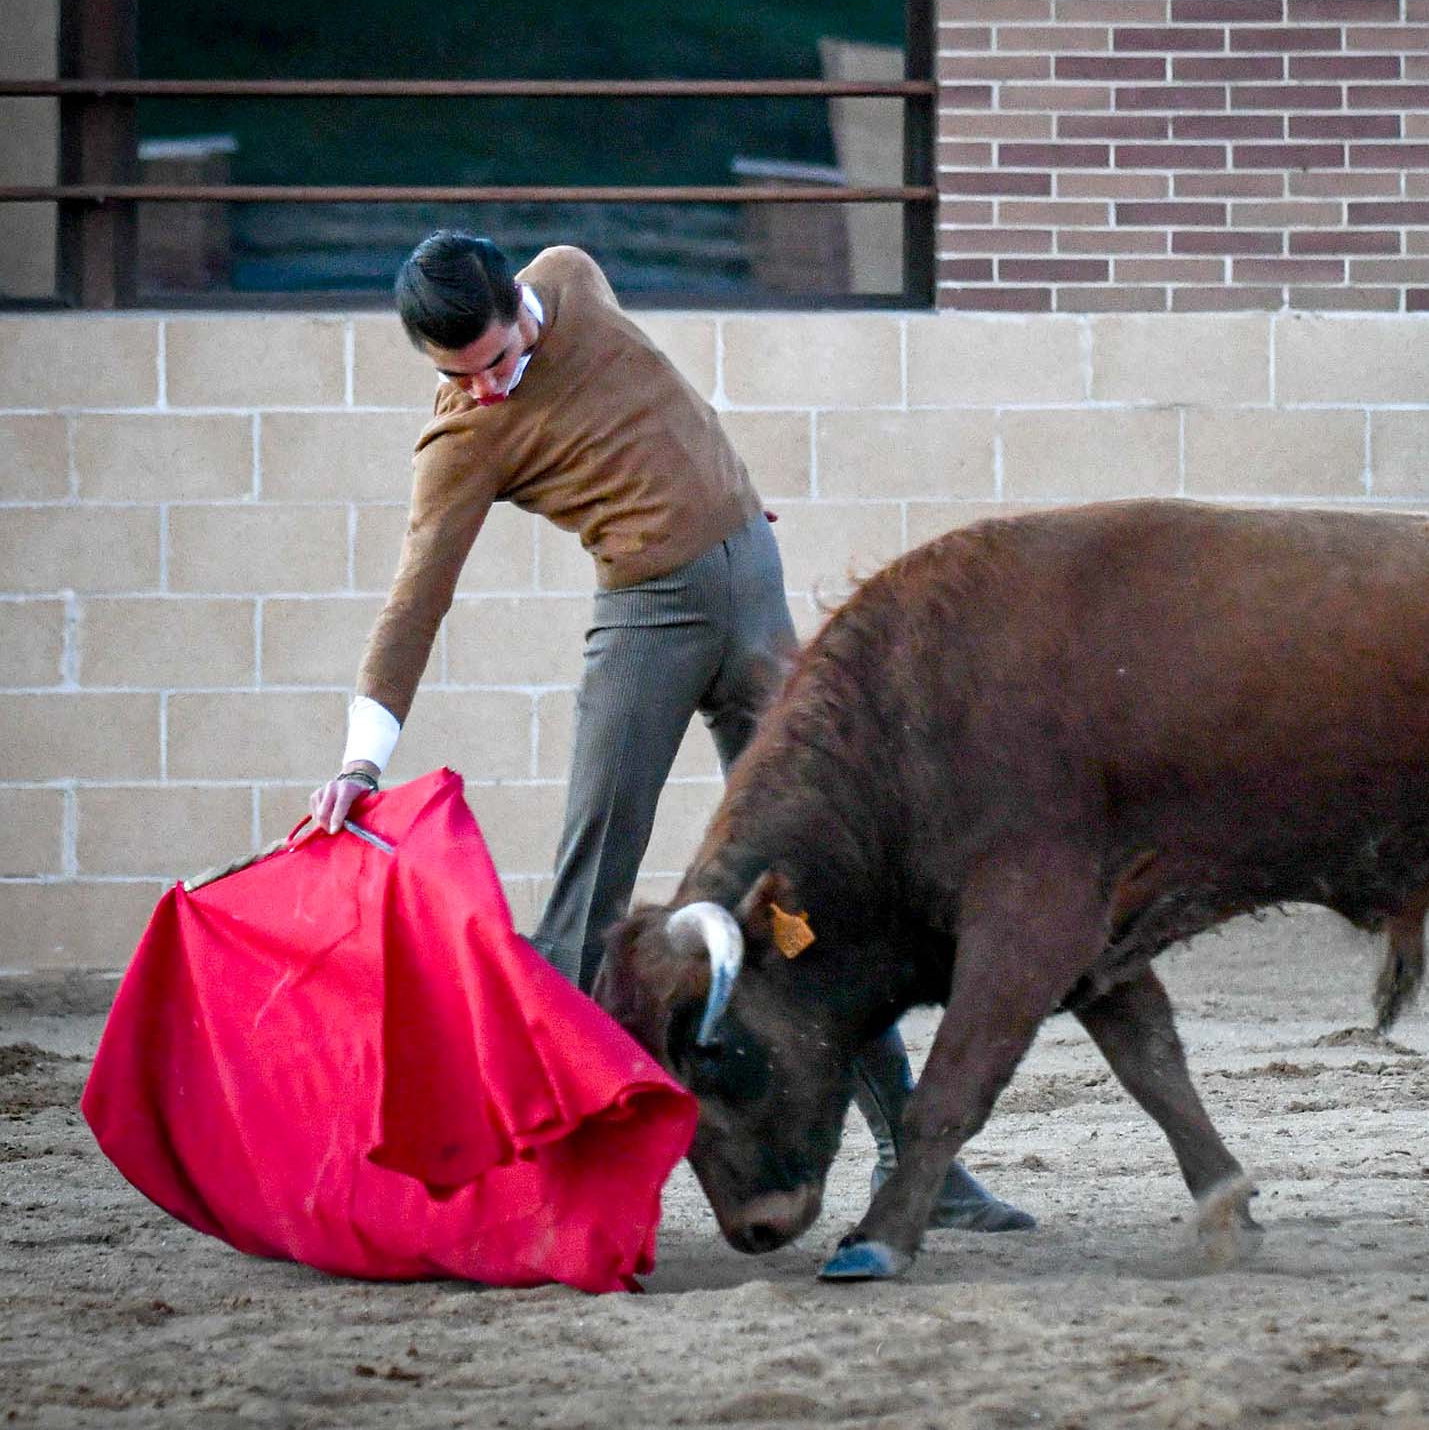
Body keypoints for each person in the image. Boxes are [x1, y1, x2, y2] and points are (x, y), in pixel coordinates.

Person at [309, 231, 1031, 1233]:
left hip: (753, 587)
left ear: (523, 299)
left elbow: (658, 393)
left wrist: (718, 487)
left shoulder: (571, 277)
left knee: (814, 887)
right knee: (589, 885)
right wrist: (361, 759)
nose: (488, 387)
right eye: (462, 376)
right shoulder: (464, 437)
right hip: (648, 619)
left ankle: (919, 1163)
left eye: (500, 358)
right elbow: (412, 601)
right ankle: (540, 1182)